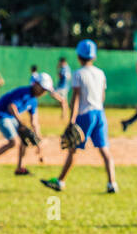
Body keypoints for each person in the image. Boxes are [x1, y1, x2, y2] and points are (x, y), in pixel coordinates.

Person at [39, 39, 117, 195]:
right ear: (94, 57)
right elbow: (101, 96)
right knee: (105, 150)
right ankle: (112, 183)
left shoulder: (78, 74)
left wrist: (71, 121)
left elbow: (75, 98)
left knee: (73, 150)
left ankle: (60, 181)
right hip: (99, 113)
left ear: (79, 56)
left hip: (85, 114)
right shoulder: (100, 73)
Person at [0, 73, 67, 177]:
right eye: (42, 89)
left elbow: (35, 122)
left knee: (24, 139)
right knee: (14, 142)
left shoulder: (33, 100)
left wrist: (39, 142)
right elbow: (11, 107)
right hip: (0, 114)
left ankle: (20, 168)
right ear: (36, 84)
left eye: (45, 91)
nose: (43, 92)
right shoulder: (24, 93)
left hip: (10, 116)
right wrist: (21, 124)